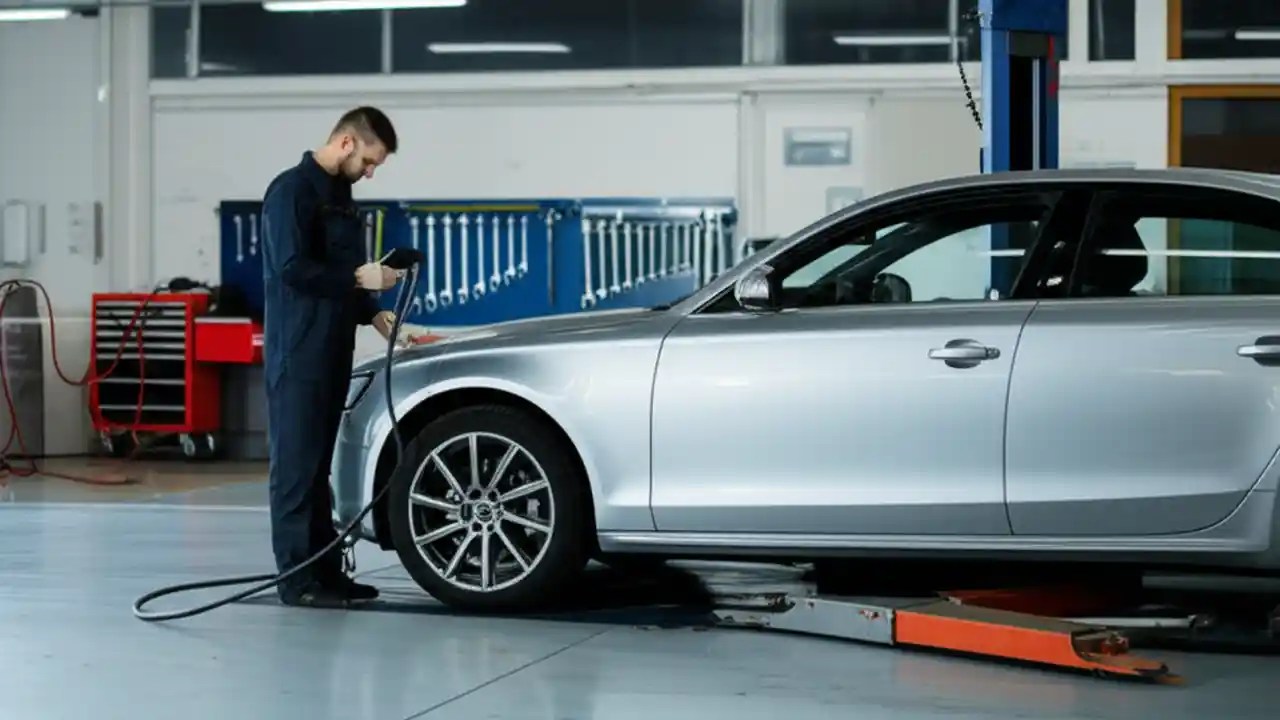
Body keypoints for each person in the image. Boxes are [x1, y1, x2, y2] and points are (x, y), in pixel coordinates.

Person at [260, 106, 402, 608]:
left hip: (333, 348)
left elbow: (341, 272)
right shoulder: (290, 192)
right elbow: (291, 268)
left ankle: (326, 574)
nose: (370, 172)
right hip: (297, 353)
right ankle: (297, 581)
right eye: (368, 161)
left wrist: (374, 312)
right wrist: (359, 278)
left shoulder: (342, 198)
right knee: (296, 470)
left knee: (320, 468)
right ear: (346, 142)